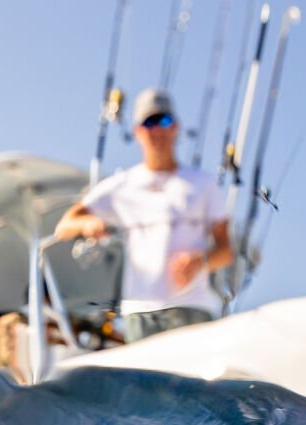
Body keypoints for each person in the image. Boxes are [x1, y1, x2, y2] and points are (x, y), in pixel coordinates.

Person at [54, 88, 233, 342]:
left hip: (193, 308)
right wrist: (88, 222)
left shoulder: (203, 184)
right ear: (138, 131)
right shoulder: (121, 185)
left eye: (164, 120)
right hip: (139, 312)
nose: (158, 129)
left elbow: (226, 250)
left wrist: (200, 261)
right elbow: (65, 225)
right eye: (149, 122)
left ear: (176, 128)